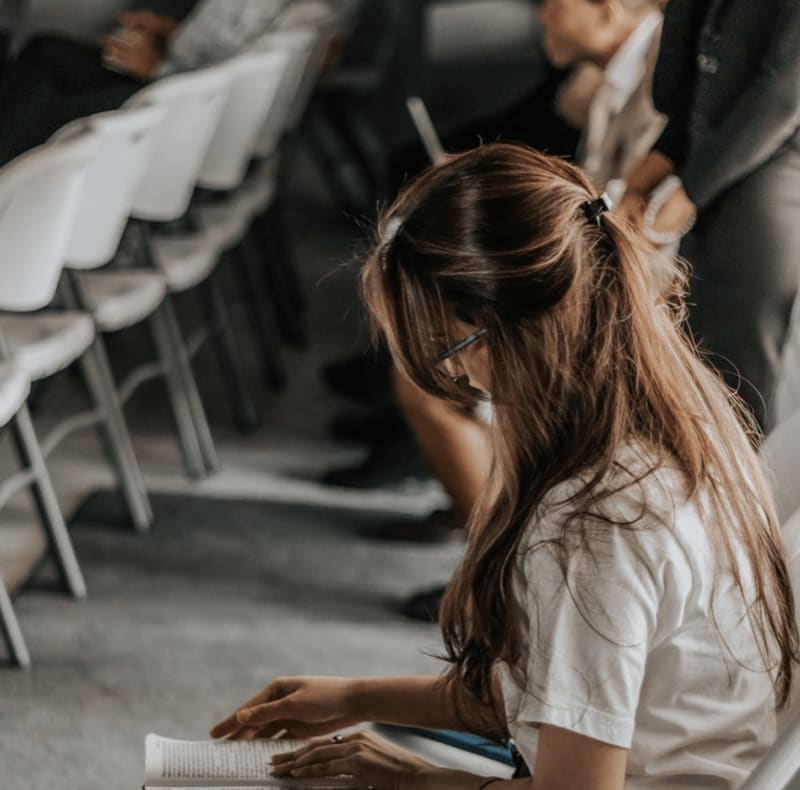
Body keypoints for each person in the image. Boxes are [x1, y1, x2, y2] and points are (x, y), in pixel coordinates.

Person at [209, 144, 797, 788]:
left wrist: (416, 780)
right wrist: (358, 696)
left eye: (448, 347)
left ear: (511, 331)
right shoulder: (681, 420)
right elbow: (563, 690)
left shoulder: (592, 526)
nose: (456, 375)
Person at [360, 0, 668, 621]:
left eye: (553, 3)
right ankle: (492, 545)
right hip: (581, 289)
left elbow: (623, 227)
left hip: (600, 307)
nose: (541, 18)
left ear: (607, 9)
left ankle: (496, 583)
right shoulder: (605, 78)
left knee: (432, 387)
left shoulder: (655, 89)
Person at [617, 0, 800, 430]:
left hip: (763, 185)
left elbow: (781, 98)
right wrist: (639, 185)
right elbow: (674, 94)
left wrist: (687, 196)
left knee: (740, 392)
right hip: (707, 178)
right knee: (697, 384)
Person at [0, 0, 288, 165]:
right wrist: (165, 32)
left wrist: (157, 66)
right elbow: (216, 40)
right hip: (173, 71)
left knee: (38, 106)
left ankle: (11, 173)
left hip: (175, 100)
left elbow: (225, 71)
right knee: (47, 49)